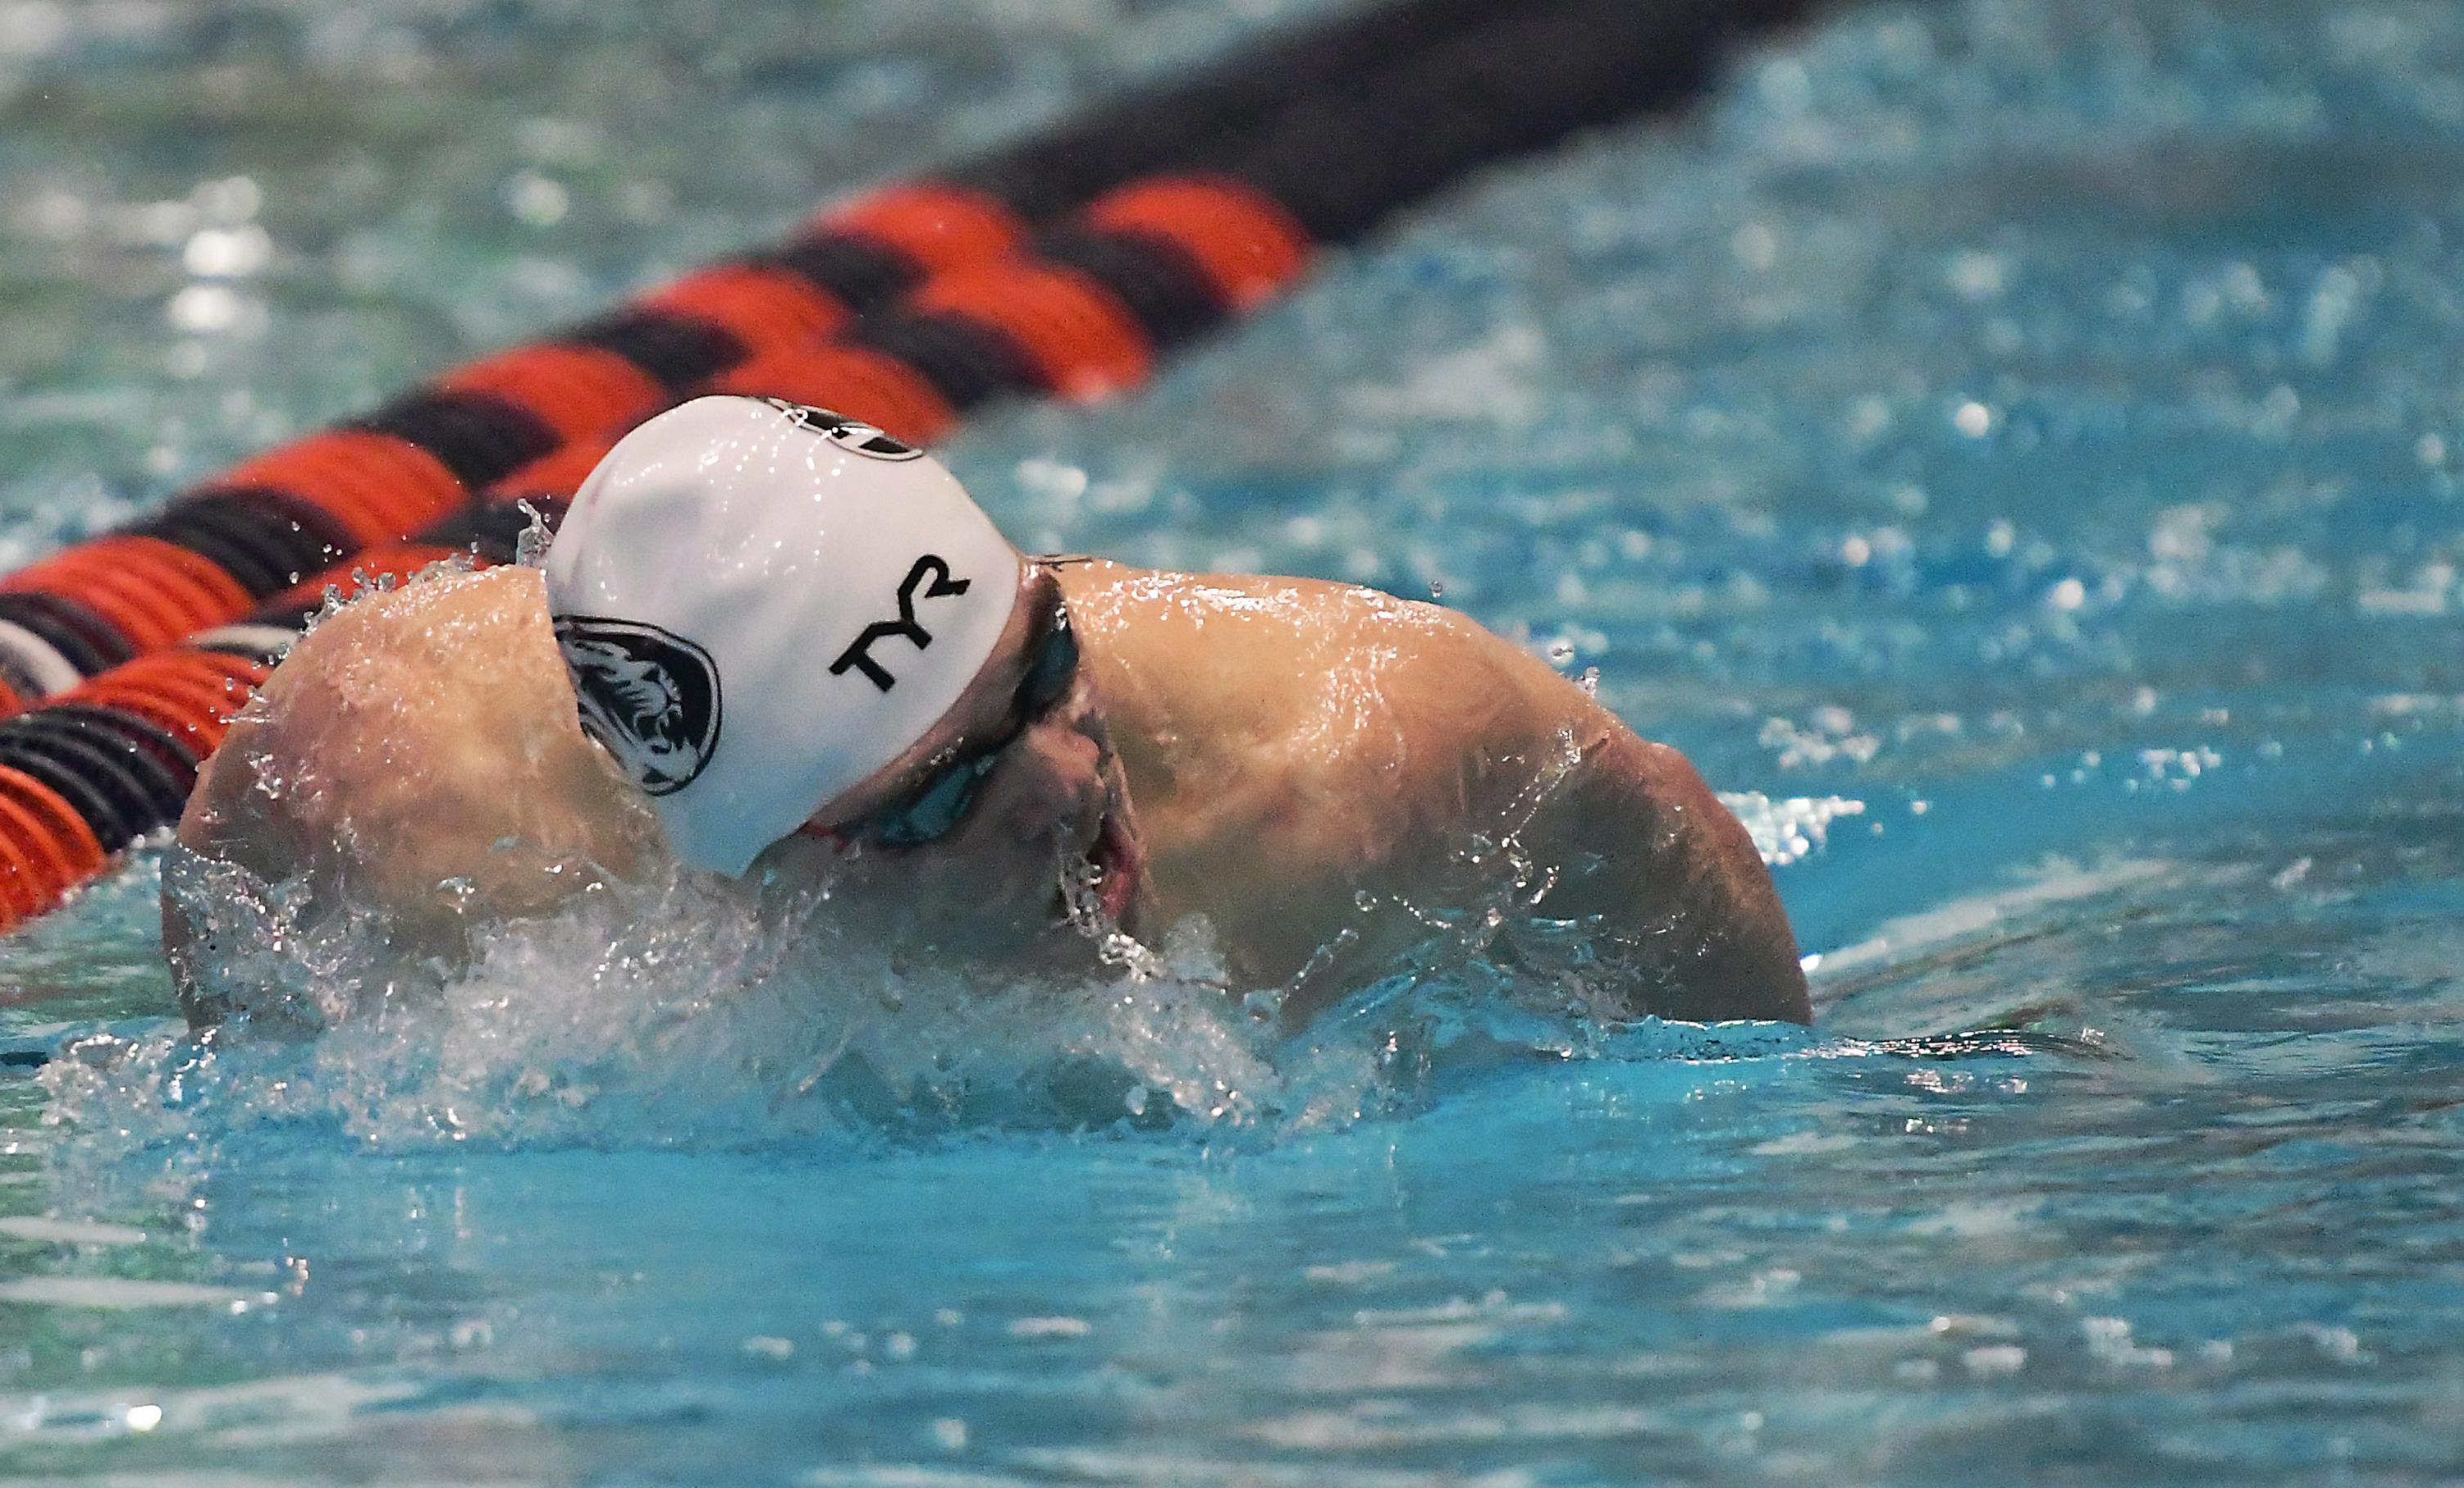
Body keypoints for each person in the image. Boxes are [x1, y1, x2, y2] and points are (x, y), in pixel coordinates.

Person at [170, 395, 1809, 1025]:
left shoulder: (1353, 755)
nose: (1061, 781)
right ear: (754, 859)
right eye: (936, 793)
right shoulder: (407, 808)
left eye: (1038, 671)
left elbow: (1655, 864)